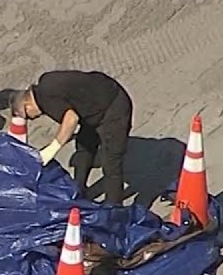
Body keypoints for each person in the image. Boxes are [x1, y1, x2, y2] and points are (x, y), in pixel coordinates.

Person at [10, 70, 134, 206]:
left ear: (27, 105)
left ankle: (114, 208)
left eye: (28, 116)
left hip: (113, 107)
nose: (32, 119)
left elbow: (71, 119)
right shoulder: (45, 84)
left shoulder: (45, 99)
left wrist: (52, 149)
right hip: (95, 102)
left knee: (111, 162)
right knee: (84, 147)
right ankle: (78, 191)